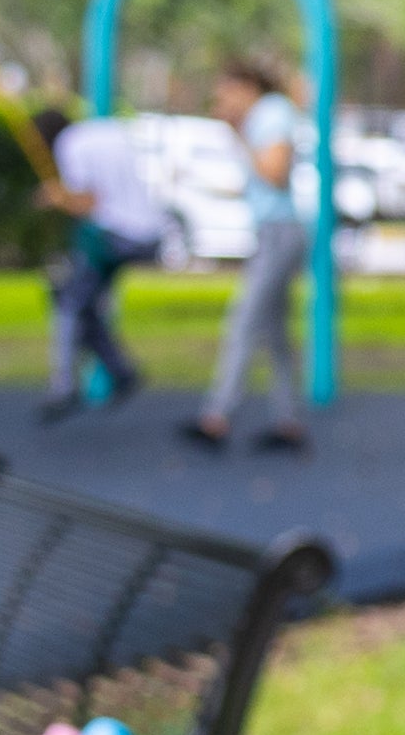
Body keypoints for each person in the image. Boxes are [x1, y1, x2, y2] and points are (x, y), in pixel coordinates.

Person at [183, 50, 312, 454]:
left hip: (280, 232)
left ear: (247, 88)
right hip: (273, 231)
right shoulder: (265, 117)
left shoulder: (271, 113)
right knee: (273, 334)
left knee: (243, 322)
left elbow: (274, 175)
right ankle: (287, 421)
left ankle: (217, 417)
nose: (223, 102)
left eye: (227, 93)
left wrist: (237, 133)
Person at [37, 100, 181, 422]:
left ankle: (63, 386)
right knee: (87, 303)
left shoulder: (68, 144)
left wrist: (55, 198)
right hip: (147, 232)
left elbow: (88, 202)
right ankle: (121, 370)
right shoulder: (105, 131)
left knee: (68, 302)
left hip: (113, 235)